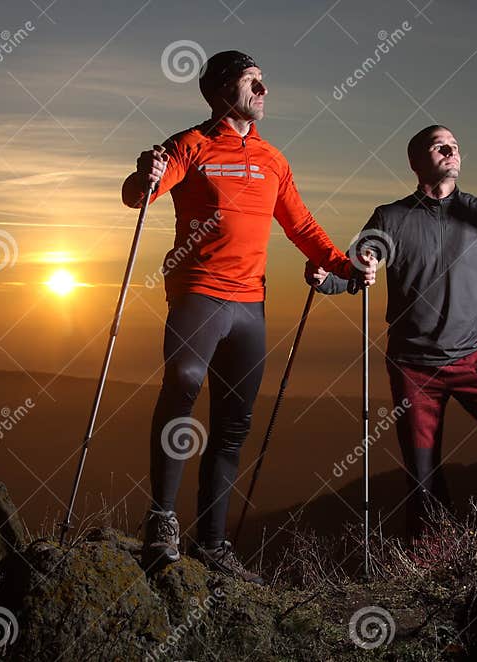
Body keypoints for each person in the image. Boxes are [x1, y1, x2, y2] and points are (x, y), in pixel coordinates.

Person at [122, 50, 376, 583]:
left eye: (264, 81)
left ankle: (211, 544)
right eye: (251, 81)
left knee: (234, 423)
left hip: (249, 306)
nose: (263, 90)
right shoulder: (189, 145)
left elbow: (302, 226)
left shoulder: (273, 160)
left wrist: (345, 267)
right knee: (184, 382)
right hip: (198, 294)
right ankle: (161, 521)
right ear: (220, 91)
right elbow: (136, 195)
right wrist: (143, 174)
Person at [305, 124, 477, 544]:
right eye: (440, 146)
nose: (451, 150)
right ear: (417, 161)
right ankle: (429, 564)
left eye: (455, 145)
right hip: (413, 364)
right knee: (422, 474)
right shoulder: (390, 217)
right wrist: (322, 277)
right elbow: (353, 272)